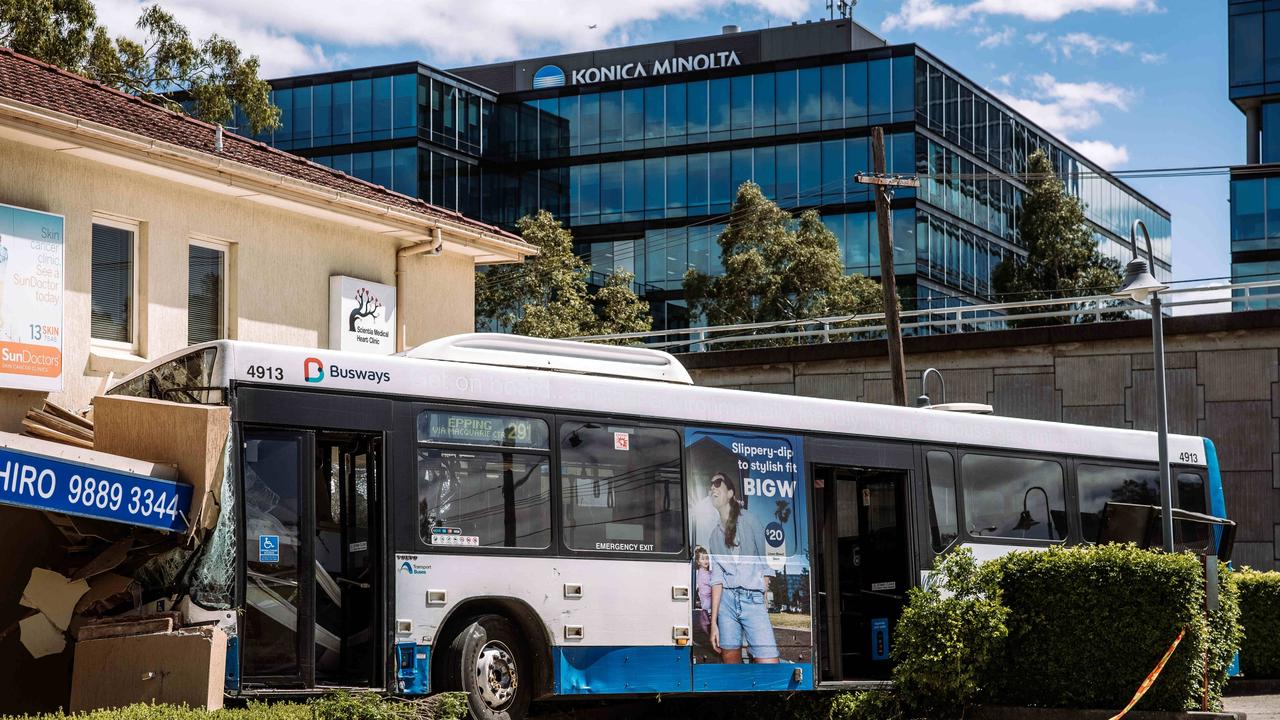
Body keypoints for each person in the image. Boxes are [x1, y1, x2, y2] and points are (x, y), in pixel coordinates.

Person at [707, 472, 779, 664]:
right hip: (726, 604)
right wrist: (714, 624)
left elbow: (765, 562)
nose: (712, 487)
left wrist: (763, 596)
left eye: (717, 483)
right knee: (732, 669)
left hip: (753, 599)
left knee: (770, 665)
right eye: (710, 484)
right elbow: (716, 579)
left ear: (730, 493)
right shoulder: (714, 536)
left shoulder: (750, 519)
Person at [693, 546, 712, 636]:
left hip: (706, 605)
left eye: (707, 558)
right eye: (703, 559)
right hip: (708, 605)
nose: (706, 561)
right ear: (698, 562)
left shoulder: (702, 573)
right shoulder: (704, 574)